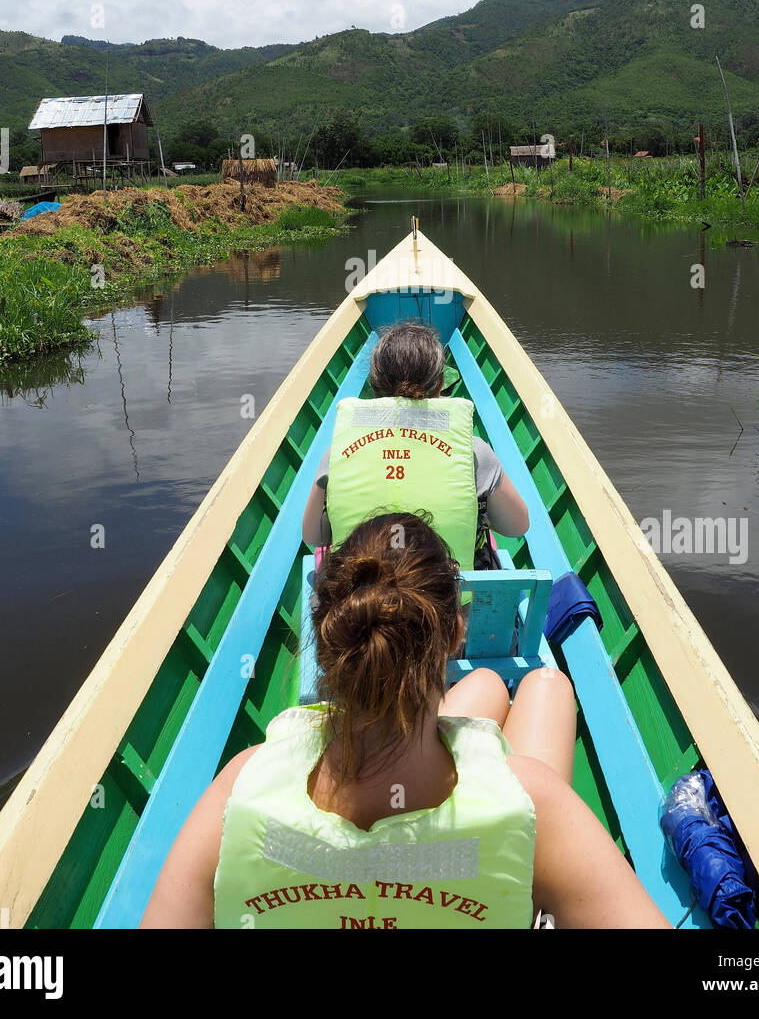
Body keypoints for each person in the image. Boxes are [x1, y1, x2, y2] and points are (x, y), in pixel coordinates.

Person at [141, 514, 669, 929]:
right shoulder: (533, 800)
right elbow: (520, 521)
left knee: (483, 691)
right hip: (494, 833)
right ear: (456, 631)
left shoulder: (242, 785)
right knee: (534, 687)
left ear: (326, 636)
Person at [302, 322, 529, 569]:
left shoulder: (337, 453)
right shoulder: (474, 452)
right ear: (441, 384)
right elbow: (517, 526)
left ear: (375, 387)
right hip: (445, 604)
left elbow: (315, 536)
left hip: (360, 603)